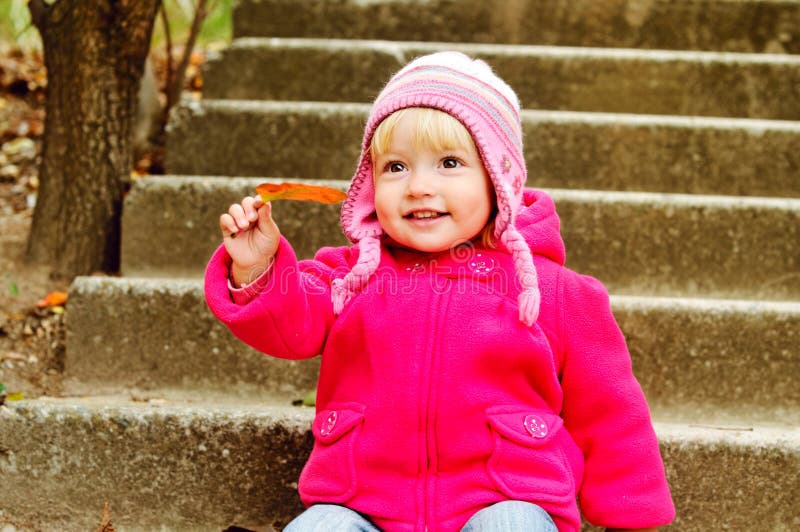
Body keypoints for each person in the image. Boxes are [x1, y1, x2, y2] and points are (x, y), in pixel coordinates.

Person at [205, 52, 675, 532]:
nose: (419, 187)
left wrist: (628, 517)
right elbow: (292, 327)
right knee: (321, 528)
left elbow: (611, 413)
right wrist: (257, 265)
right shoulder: (351, 275)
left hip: (503, 494)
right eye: (395, 167)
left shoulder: (554, 292)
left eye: (449, 163)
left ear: (498, 179)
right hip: (364, 505)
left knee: (513, 525)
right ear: (369, 184)